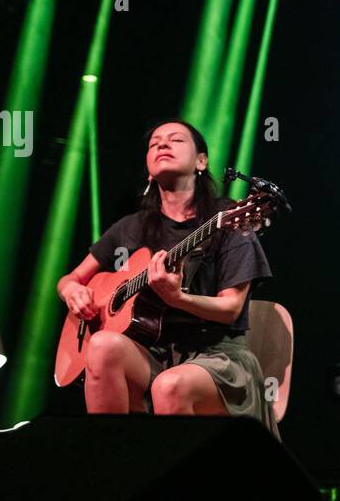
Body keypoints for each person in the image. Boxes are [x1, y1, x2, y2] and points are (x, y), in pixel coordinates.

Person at [56, 118, 278, 435]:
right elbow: (69, 279)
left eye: (175, 140)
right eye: (155, 142)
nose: (162, 144)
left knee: (168, 386)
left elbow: (230, 309)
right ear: (148, 169)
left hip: (217, 358)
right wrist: (72, 292)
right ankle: (111, 465)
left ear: (201, 161)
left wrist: (178, 299)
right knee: (103, 344)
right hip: (155, 355)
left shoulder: (228, 219)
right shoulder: (130, 227)